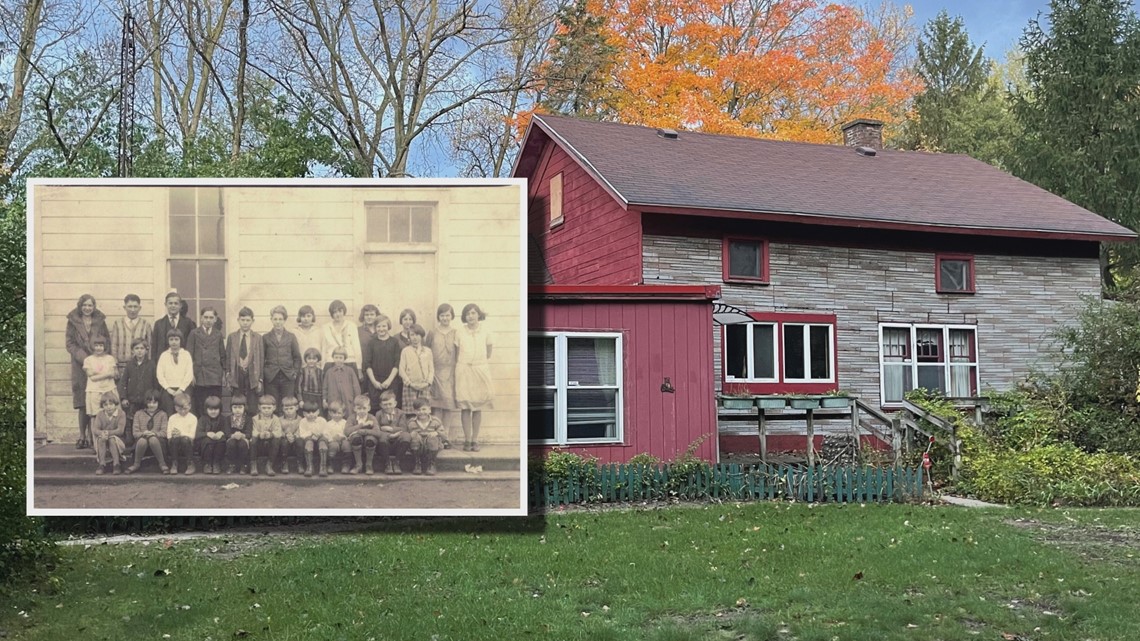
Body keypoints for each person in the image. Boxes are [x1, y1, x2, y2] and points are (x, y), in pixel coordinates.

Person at [66, 293, 110, 449]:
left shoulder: (100, 321)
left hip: (98, 364)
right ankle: (82, 436)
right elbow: (69, 343)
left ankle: (93, 436)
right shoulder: (72, 321)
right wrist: (85, 358)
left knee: (95, 399)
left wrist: (100, 358)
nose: (87, 308)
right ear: (80, 306)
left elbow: (107, 340)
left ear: (94, 306)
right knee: (82, 401)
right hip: (80, 365)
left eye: (90, 305)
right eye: (84, 305)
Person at [455, 303, 494, 452]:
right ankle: (467, 440)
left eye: (473, 313)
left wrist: (478, 363)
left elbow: (488, 352)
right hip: (464, 370)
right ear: (464, 317)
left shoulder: (486, 331)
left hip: (479, 369)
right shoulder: (460, 332)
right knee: (465, 407)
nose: (470, 316)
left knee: (477, 407)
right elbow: (457, 352)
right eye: (467, 314)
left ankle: (475, 440)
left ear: (478, 314)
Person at [426, 303, 459, 440]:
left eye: (447, 315)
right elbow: (427, 351)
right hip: (435, 372)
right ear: (438, 317)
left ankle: (445, 436)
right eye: (442, 315)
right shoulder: (432, 333)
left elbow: (458, 352)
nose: (445, 318)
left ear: (452, 316)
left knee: (448, 405)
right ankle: (437, 437)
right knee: (437, 405)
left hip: (451, 372)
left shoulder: (456, 333)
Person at [187, 307, 225, 417]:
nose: (208, 320)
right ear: (201, 318)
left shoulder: (218, 334)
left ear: (215, 319)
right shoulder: (194, 333)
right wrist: (191, 374)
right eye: (206, 317)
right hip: (199, 376)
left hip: (215, 376)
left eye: (211, 317)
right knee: (201, 406)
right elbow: (188, 356)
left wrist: (224, 374)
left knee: (215, 405)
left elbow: (223, 356)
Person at [118, 337, 158, 443]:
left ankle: (145, 441)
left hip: (146, 401)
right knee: (131, 421)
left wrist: (153, 398)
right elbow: (123, 382)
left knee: (145, 421)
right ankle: (131, 442)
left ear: (146, 350)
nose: (139, 351)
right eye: (136, 348)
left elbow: (155, 383)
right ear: (132, 350)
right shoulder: (129, 365)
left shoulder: (151, 365)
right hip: (133, 400)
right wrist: (123, 398)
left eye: (142, 348)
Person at [262, 305, 302, 411]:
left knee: (287, 404)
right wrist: (265, 373)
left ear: (284, 320)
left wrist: (294, 372)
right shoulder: (265, 337)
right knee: (272, 404)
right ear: (271, 320)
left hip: (287, 376)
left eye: (280, 319)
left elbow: (297, 357)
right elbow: (262, 358)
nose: (278, 322)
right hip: (271, 376)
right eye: (275, 319)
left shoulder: (291, 337)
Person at [83, 337, 120, 446]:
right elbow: (91, 376)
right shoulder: (88, 360)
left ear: (104, 346)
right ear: (92, 347)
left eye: (101, 345)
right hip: (94, 390)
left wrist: (98, 374)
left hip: (109, 389)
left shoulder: (110, 359)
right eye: (96, 345)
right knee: (95, 416)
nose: (98, 348)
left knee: (112, 415)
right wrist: (107, 374)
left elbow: (114, 374)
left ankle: (112, 444)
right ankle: (97, 445)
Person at [364, 313, 402, 411]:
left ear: (388, 326)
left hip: (391, 381)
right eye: (378, 326)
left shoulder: (394, 342)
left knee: (390, 407)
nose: (381, 329)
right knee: (375, 408)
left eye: (384, 326)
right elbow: (367, 364)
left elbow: (397, 363)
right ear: (375, 328)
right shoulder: (371, 343)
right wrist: (374, 382)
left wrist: (389, 381)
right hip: (375, 382)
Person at [226, 307, 263, 403]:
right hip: (237, 374)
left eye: (248, 320)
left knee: (252, 403)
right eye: (242, 320)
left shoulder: (258, 338)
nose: (245, 323)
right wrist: (228, 377)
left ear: (252, 321)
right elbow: (228, 358)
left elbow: (261, 359)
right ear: (238, 320)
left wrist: (260, 379)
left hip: (252, 375)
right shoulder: (232, 337)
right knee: (237, 402)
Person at [110, 294, 152, 379]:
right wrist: (114, 366)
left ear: (140, 308)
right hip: (121, 366)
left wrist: (148, 366)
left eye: (135, 307)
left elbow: (149, 347)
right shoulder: (117, 323)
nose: (132, 310)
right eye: (130, 306)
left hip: (140, 366)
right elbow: (113, 346)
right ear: (124, 307)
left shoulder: (145, 324)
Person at [126, 390, 168, 474]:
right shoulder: (138, 414)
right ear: (145, 402)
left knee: (152, 439)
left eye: (154, 402)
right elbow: (135, 433)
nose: (151, 405)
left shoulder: (163, 414)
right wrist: (143, 433)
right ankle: (136, 464)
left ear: (159, 403)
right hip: (141, 443)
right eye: (149, 402)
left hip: (158, 443)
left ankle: (162, 463)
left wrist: (154, 433)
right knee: (142, 440)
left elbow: (164, 432)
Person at [404, 398, 449, 475]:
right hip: (417, 447)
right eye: (418, 410)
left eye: (424, 409)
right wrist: (411, 435)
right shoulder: (411, 422)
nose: (421, 412)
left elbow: (444, 435)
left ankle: (431, 464)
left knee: (432, 438)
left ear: (429, 410)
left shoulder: (435, 421)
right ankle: (417, 463)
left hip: (432, 447)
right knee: (414, 437)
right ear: (414, 411)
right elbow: (406, 435)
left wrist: (437, 433)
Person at [156, 330, 194, 416]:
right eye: (171, 339)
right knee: (168, 412)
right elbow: (160, 374)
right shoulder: (164, 355)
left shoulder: (186, 354)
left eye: (176, 339)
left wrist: (181, 389)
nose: (174, 342)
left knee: (184, 410)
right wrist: (168, 388)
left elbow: (189, 374)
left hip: (183, 389)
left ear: (181, 340)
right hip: (168, 390)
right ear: (168, 341)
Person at [151, 291, 196, 366]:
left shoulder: (188, 323)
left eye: (176, 303)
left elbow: (192, 345)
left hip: (183, 363)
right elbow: (154, 348)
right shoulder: (159, 324)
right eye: (170, 303)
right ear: (165, 304)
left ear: (180, 305)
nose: (173, 306)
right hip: (164, 364)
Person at [321, 300, 362, 379]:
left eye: (340, 311)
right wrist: (323, 367)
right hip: (331, 362)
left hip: (349, 362)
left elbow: (357, 348)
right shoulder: (325, 327)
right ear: (332, 314)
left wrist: (359, 368)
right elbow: (324, 348)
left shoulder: (351, 326)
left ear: (344, 312)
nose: (338, 314)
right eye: (335, 312)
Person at [345, 394, 383, 474]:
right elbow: (347, 431)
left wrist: (363, 431)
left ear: (369, 408)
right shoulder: (352, 418)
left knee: (370, 439)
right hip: (356, 443)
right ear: (354, 409)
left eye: (364, 408)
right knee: (356, 437)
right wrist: (361, 425)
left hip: (368, 442)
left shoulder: (372, 418)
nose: (362, 411)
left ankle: (369, 465)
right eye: (359, 408)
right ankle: (358, 465)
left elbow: (378, 432)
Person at [399, 324, 434, 409]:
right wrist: (410, 383)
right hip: (410, 386)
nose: (415, 338)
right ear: (409, 337)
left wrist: (428, 383)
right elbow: (401, 370)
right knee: (411, 410)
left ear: (421, 336)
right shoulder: (405, 351)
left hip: (424, 386)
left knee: (423, 409)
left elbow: (431, 369)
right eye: (412, 335)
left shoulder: (428, 351)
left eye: (417, 335)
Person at [91, 391, 127, 475]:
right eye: (105, 405)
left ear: (115, 404)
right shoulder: (100, 414)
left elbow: (120, 430)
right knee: (101, 439)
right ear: (102, 406)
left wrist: (108, 433)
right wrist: (102, 433)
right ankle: (102, 464)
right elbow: (95, 429)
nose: (108, 407)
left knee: (111, 439)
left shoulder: (121, 414)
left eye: (111, 404)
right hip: (104, 439)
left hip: (118, 441)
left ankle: (116, 464)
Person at [375, 390, 409, 475]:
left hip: (397, 443)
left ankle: (397, 462)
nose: (388, 407)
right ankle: (387, 463)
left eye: (390, 404)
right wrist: (389, 435)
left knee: (406, 436)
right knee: (381, 437)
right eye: (385, 404)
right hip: (384, 444)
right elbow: (377, 429)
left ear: (395, 403)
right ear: (381, 405)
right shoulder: (379, 414)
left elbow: (403, 428)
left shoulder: (401, 413)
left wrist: (390, 429)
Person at [166, 392, 197, 475]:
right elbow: (169, 434)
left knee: (184, 439)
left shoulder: (193, 418)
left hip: (188, 444)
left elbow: (192, 435)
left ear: (190, 406)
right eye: (180, 409)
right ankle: (174, 463)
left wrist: (181, 433)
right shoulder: (172, 418)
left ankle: (190, 463)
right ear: (175, 408)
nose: (183, 411)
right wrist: (173, 436)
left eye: (185, 408)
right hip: (175, 444)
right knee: (174, 439)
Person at [194, 395, 226, 475]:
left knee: (221, 441)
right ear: (206, 409)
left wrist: (221, 433)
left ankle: (216, 463)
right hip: (205, 445)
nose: (213, 412)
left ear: (220, 409)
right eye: (211, 409)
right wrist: (207, 434)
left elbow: (227, 431)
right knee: (208, 441)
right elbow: (198, 434)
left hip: (218, 443)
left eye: (216, 409)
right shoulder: (202, 419)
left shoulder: (223, 419)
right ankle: (207, 464)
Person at [250, 395, 282, 476]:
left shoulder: (276, 419)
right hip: (259, 444)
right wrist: (259, 434)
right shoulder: (255, 419)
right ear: (259, 407)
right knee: (253, 440)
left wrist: (271, 434)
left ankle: (269, 465)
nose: (266, 410)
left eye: (269, 408)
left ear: (274, 408)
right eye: (264, 408)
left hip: (270, 445)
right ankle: (253, 465)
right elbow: (253, 431)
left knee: (276, 440)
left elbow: (278, 432)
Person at [323, 346, 360, 412]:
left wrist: (357, 399)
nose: (338, 360)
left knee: (348, 413)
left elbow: (356, 386)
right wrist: (324, 399)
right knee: (334, 414)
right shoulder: (329, 372)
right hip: (333, 400)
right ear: (333, 358)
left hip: (348, 399)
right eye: (336, 357)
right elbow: (325, 387)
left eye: (340, 358)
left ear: (344, 358)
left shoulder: (350, 371)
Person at [357, 304, 380, 408]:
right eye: (366, 315)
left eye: (372, 314)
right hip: (363, 369)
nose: (369, 317)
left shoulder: (381, 329)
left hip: (377, 369)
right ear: (363, 316)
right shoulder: (358, 331)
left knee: (377, 397)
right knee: (363, 396)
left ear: (376, 315)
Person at [224, 395, 253, 474]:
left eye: (240, 407)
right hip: (232, 438)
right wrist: (233, 435)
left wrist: (242, 435)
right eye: (235, 407)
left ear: (244, 408)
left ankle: (244, 465)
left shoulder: (248, 419)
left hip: (243, 439)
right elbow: (227, 432)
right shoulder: (228, 419)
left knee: (242, 444)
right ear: (231, 408)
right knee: (231, 444)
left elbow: (249, 432)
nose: (237, 410)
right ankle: (231, 465)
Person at [298, 401, 327, 477]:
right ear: (304, 414)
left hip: (320, 438)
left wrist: (319, 434)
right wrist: (311, 434)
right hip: (309, 439)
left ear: (318, 412)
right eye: (308, 412)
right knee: (308, 443)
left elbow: (326, 432)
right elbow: (302, 434)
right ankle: (309, 467)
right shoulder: (303, 421)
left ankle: (323, 467)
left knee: (323, 443)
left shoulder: (322, 420)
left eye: (313, 412)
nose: (311, 414)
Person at [278, 396, 303, 475]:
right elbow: (278, 430)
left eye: (291, 408)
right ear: (282, 409)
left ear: (296, 407)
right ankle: (284, 462)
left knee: (300, 442)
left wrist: (294, 436)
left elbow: (300, 430)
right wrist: (285, 435)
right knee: (284, 442)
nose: (289, 411)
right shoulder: (279, 419)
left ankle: (300, 463)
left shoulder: (300, 419)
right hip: (285, 440)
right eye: (286, 409)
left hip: (295, 440)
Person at [324, 401, 349, 474]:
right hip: (333, 442)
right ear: (330, 413)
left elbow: (348, 432)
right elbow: (326, 434)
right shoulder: (328, 424)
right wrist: (331, 438)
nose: (336, 415)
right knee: (333, 446)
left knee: (346, 445)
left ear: (343, 413)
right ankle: (330, 464)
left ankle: (346, 464)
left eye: (339, 413)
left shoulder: (345, 423)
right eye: (334, 413)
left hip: (343, 441)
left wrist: (343, 437)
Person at [297, 348, 324, 413]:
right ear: (305, 359)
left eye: (314, 359)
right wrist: (300, 400)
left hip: (318, 398)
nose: (311, 361)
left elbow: (324, 386)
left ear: (318, 359)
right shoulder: (302, 371)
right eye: (309, 358)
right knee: (306, 414)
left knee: (318, 414)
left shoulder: (321, 372)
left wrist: (324, 399)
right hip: (306, 397)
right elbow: (298, 386)